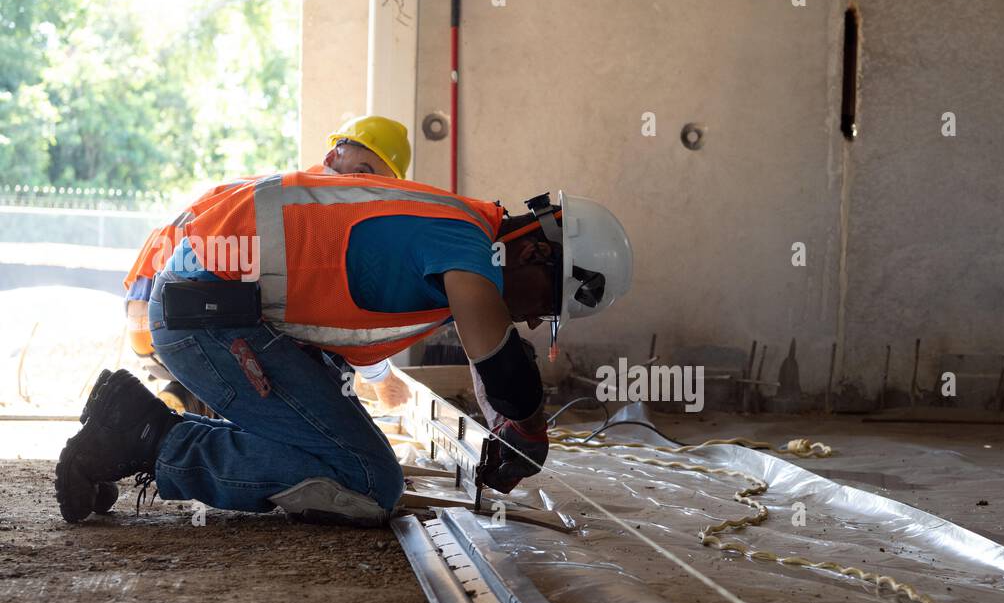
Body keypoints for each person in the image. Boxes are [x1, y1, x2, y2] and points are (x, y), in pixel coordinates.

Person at [55, 174, 631, 527]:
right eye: (546, 306)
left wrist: (505, 419)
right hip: (208, 321)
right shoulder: (467, 243)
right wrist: (527, 425)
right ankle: (150, 439)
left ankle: (138, 425)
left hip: (216, 309)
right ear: (534, 255)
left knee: (340, 442)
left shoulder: (459, 227)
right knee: (366, 480)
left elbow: (492, 353)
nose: (534, 317)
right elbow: (502, 364)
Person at [121, 116, 416, 413]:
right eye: (361, 173)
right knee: (315, 366)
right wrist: (381, 379)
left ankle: (184, 398)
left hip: (147, 319)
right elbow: (345, 323)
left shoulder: (276, 191)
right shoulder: (323, 213)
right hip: (179, 321)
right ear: (331, 156)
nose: (364, 189)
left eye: (375, 187)